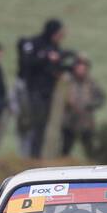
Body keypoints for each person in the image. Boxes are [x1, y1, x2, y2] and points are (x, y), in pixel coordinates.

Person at [21, 18, 66, 158]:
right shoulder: (35, 44)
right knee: (36, 123)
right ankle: (32, 155)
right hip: (35, 90)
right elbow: (27, 63)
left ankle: (38, 155)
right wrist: (46, 57)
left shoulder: (55, 46)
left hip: (49, 90)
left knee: (44, 124)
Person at [60, 54, 104, 158]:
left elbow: (101, 98)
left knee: (90, 151)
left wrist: (90, 105)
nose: (81, 70)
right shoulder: (67, 81)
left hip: (86, 122)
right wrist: (66, 103)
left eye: (84, 67)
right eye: (79, 67)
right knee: (65, 150)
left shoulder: (91, 82)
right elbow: (58, 99)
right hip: (69, 121)